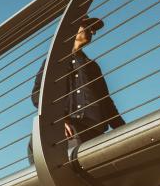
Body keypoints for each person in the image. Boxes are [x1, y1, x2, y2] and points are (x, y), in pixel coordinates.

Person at [29, 15, 126, 159]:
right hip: (70, 132)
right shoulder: (53, 62)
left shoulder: (93, 67)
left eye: (93, 29)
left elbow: (107, 103)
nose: (93, 32)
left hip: (96, 134)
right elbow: (38, 95)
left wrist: (125, 130)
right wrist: (58, 120)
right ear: (73, 29)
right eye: (88, 27)